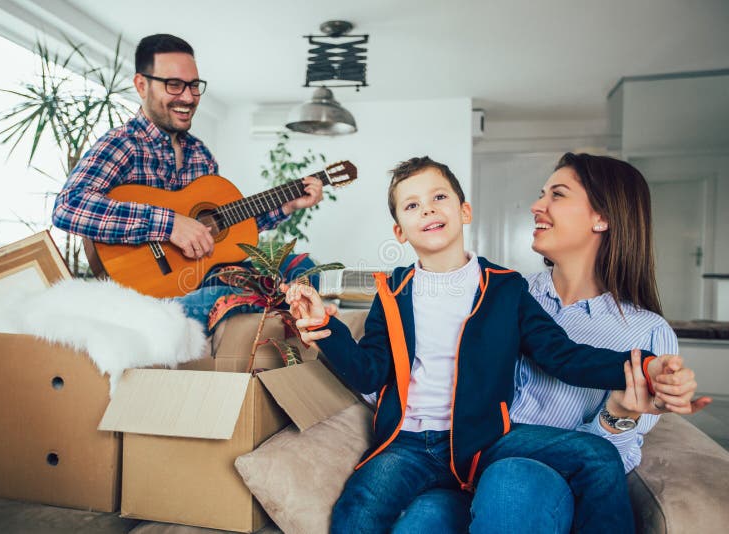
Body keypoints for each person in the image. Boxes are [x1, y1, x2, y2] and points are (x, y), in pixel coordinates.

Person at [283, 156, 699, 534]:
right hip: (409, 443)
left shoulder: (507, 288)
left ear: (464, 211)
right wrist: (324, 327)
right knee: (358, 509)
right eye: (411, 206)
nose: (427, 209)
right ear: (400, 232)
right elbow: (368, 371)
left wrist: (645, 367)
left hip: (485, 438)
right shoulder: (391, 293)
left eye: (438, 197)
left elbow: (564, 355)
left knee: (598, 456)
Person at [52, 34, 323, 323]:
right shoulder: (122, 144)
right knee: (223, 298)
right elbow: (69, 207)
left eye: (194, 85)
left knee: (304, 270)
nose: (188, 97)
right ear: (141, 85)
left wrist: (286, 206)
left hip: (204, 280)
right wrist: (168, 225)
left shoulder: (200, 154)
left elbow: (225, 233)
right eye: (174, 85)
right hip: (150, 293)